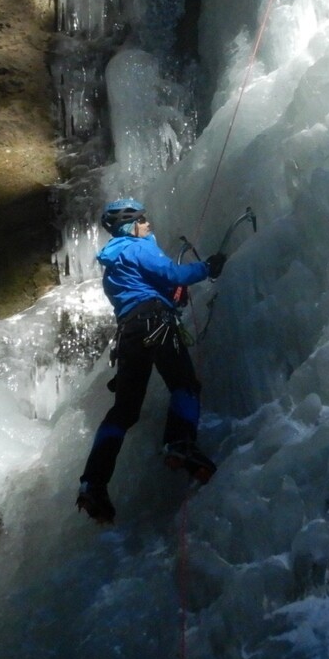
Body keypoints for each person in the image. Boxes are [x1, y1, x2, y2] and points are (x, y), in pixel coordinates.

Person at [77, 198, 226, 524]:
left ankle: (94, 482)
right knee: (185, 384)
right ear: (130, 225)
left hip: (129, 333)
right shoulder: (137, 246)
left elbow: (149, 286)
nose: (148, 224)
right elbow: (172, 273)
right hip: (156, 323)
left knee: (124, 411)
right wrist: (207, 267)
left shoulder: (113, 265)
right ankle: (179, 442)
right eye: (142, 220)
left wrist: (171, 292)